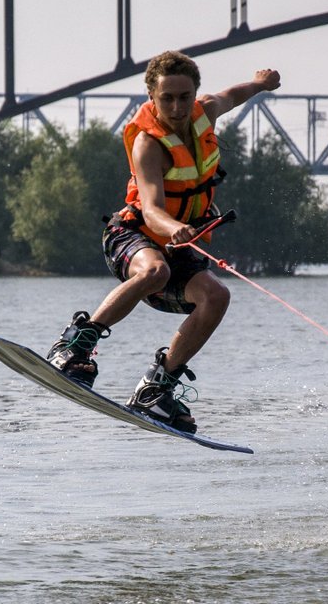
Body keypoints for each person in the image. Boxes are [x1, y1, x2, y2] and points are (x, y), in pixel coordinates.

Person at [47, 49, 281, 433]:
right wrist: (173, 226)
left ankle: (157, 388)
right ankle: (75, 345)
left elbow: (233, 96)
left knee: (217, 296)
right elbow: (153, 208)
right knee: (154, 270)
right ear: (152, 98)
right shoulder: (148, 144)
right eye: (166, 98)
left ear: (195, 95)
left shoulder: (204, 110)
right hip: (132, 236)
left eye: (184, 97)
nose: (176, 107)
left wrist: (260, 83)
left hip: (177, 248)